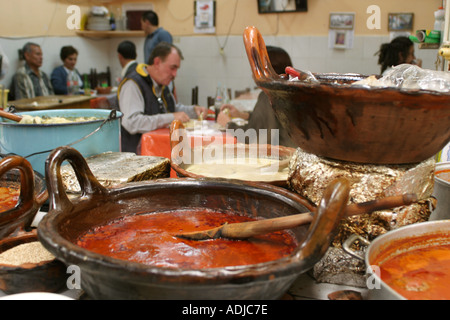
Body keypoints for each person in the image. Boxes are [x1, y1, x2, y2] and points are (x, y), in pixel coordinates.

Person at [118, 41, 207, 153]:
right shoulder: (133, 84)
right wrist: (171, 117)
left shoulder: (162, 84)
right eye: (172, 68)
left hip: (160, 151)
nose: (175, 74)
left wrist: (194, 110)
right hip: (137, 157)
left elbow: (172, 109)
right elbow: (132, 122)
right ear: (157, 62)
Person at [216, 46, 297, 148]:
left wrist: (228, 124)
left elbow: (252, 137)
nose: (252, 73)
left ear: (265, 70)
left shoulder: (269, 95)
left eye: (254, 68)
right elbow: (268, 121)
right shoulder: (289, 91)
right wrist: (241, 115)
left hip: (278, 157)